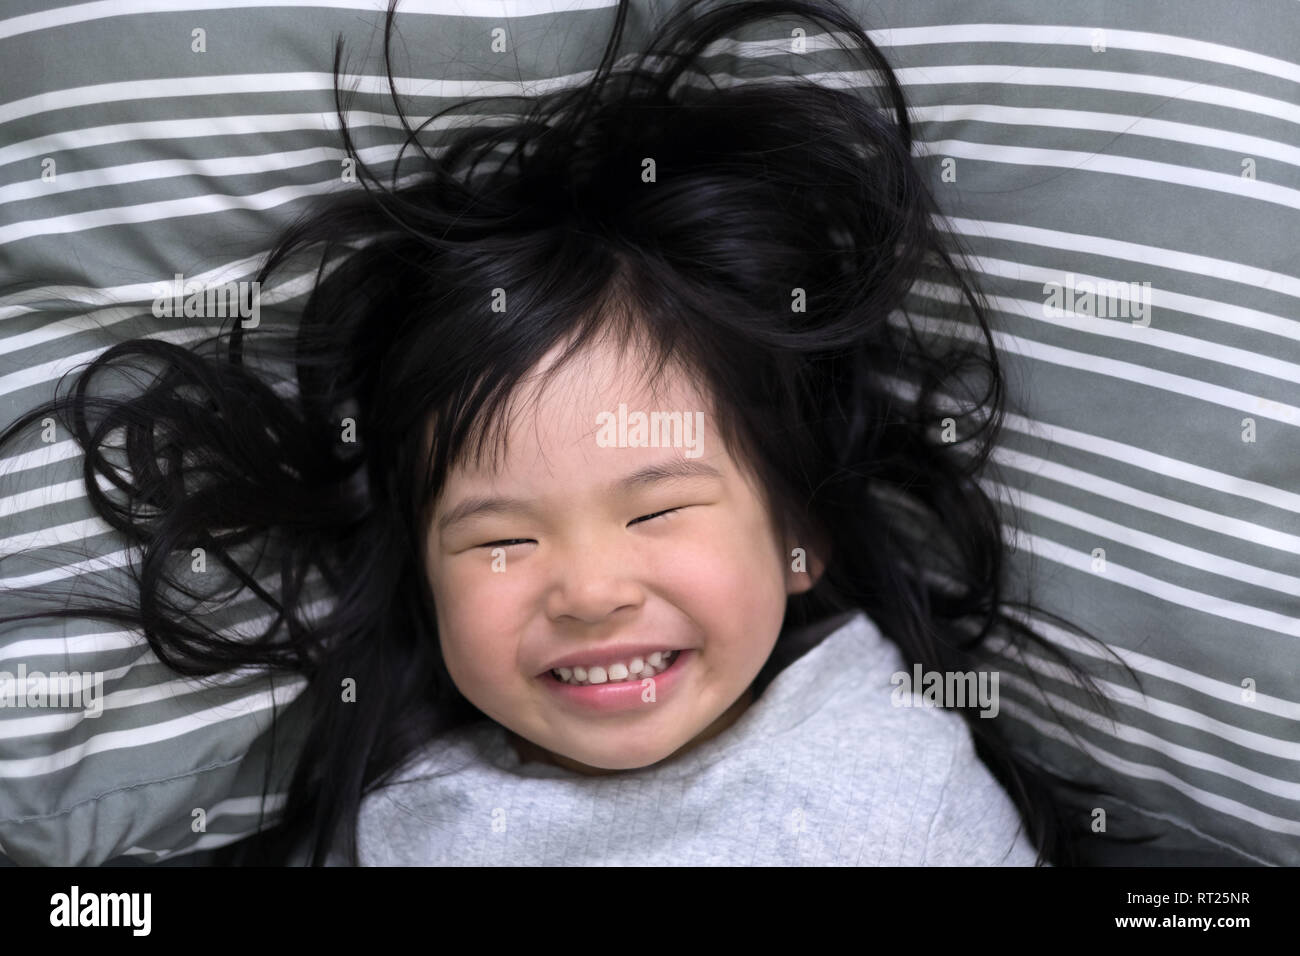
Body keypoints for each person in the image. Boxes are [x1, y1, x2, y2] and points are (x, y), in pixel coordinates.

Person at [0, 0, 1140, 865]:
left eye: (656, 507)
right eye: (499, 539)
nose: (588, 588)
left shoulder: (896, 763)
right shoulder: (406, 823)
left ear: (797, 530)